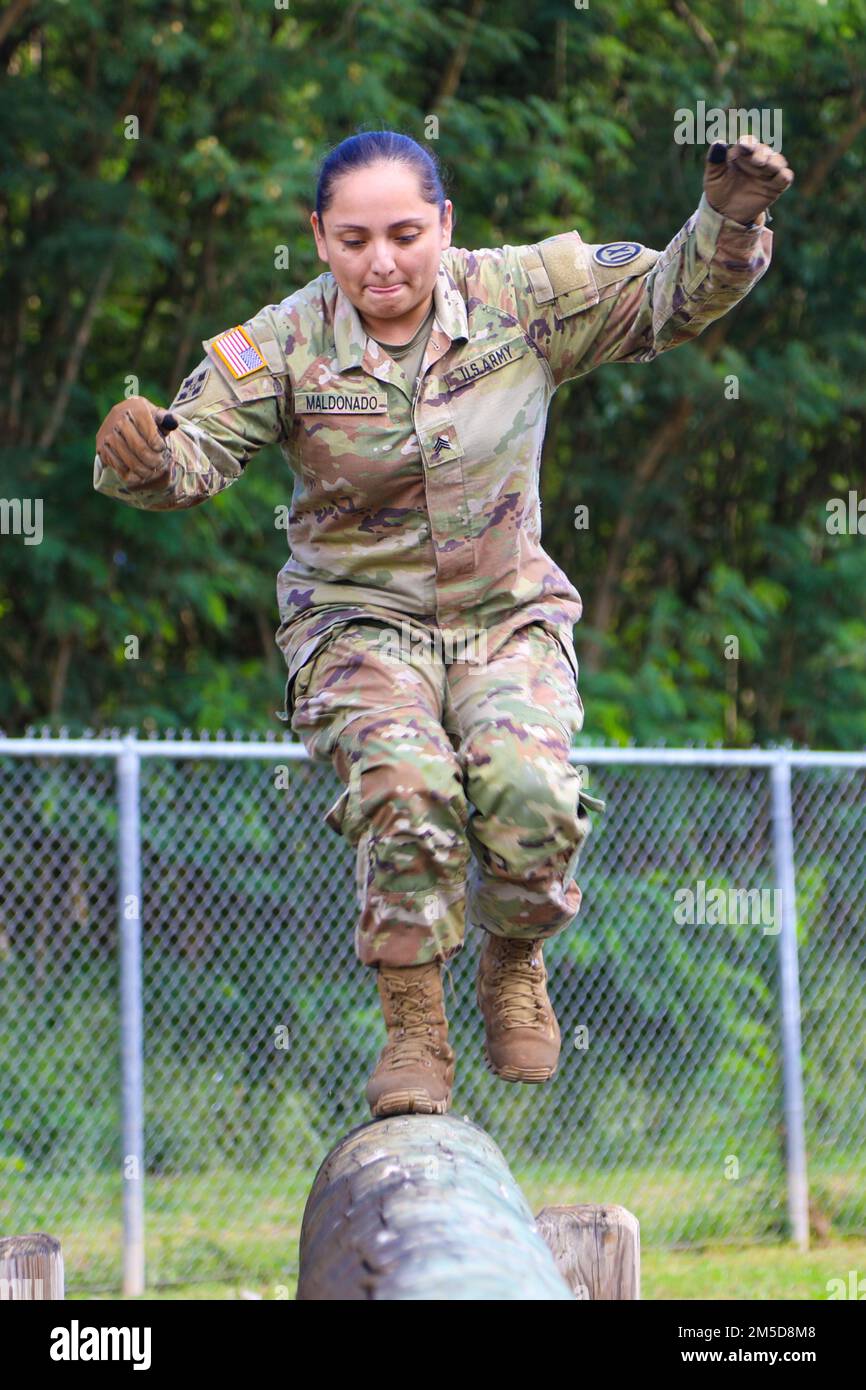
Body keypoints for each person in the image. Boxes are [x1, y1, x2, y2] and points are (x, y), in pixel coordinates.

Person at [94, 128, 793, 1119]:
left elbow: (662, 300)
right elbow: (193, 449)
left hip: (504, 615)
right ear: (319, 238)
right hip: (355, 626)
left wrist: (727, 218)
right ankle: (415, 1028)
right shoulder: (285, 342)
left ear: (445, 225)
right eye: (353, 240)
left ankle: (511, 962)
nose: (381, 262)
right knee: (407, 785)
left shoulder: (524, 295)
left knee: (529, 790)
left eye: (405, 234)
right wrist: (146, 458)